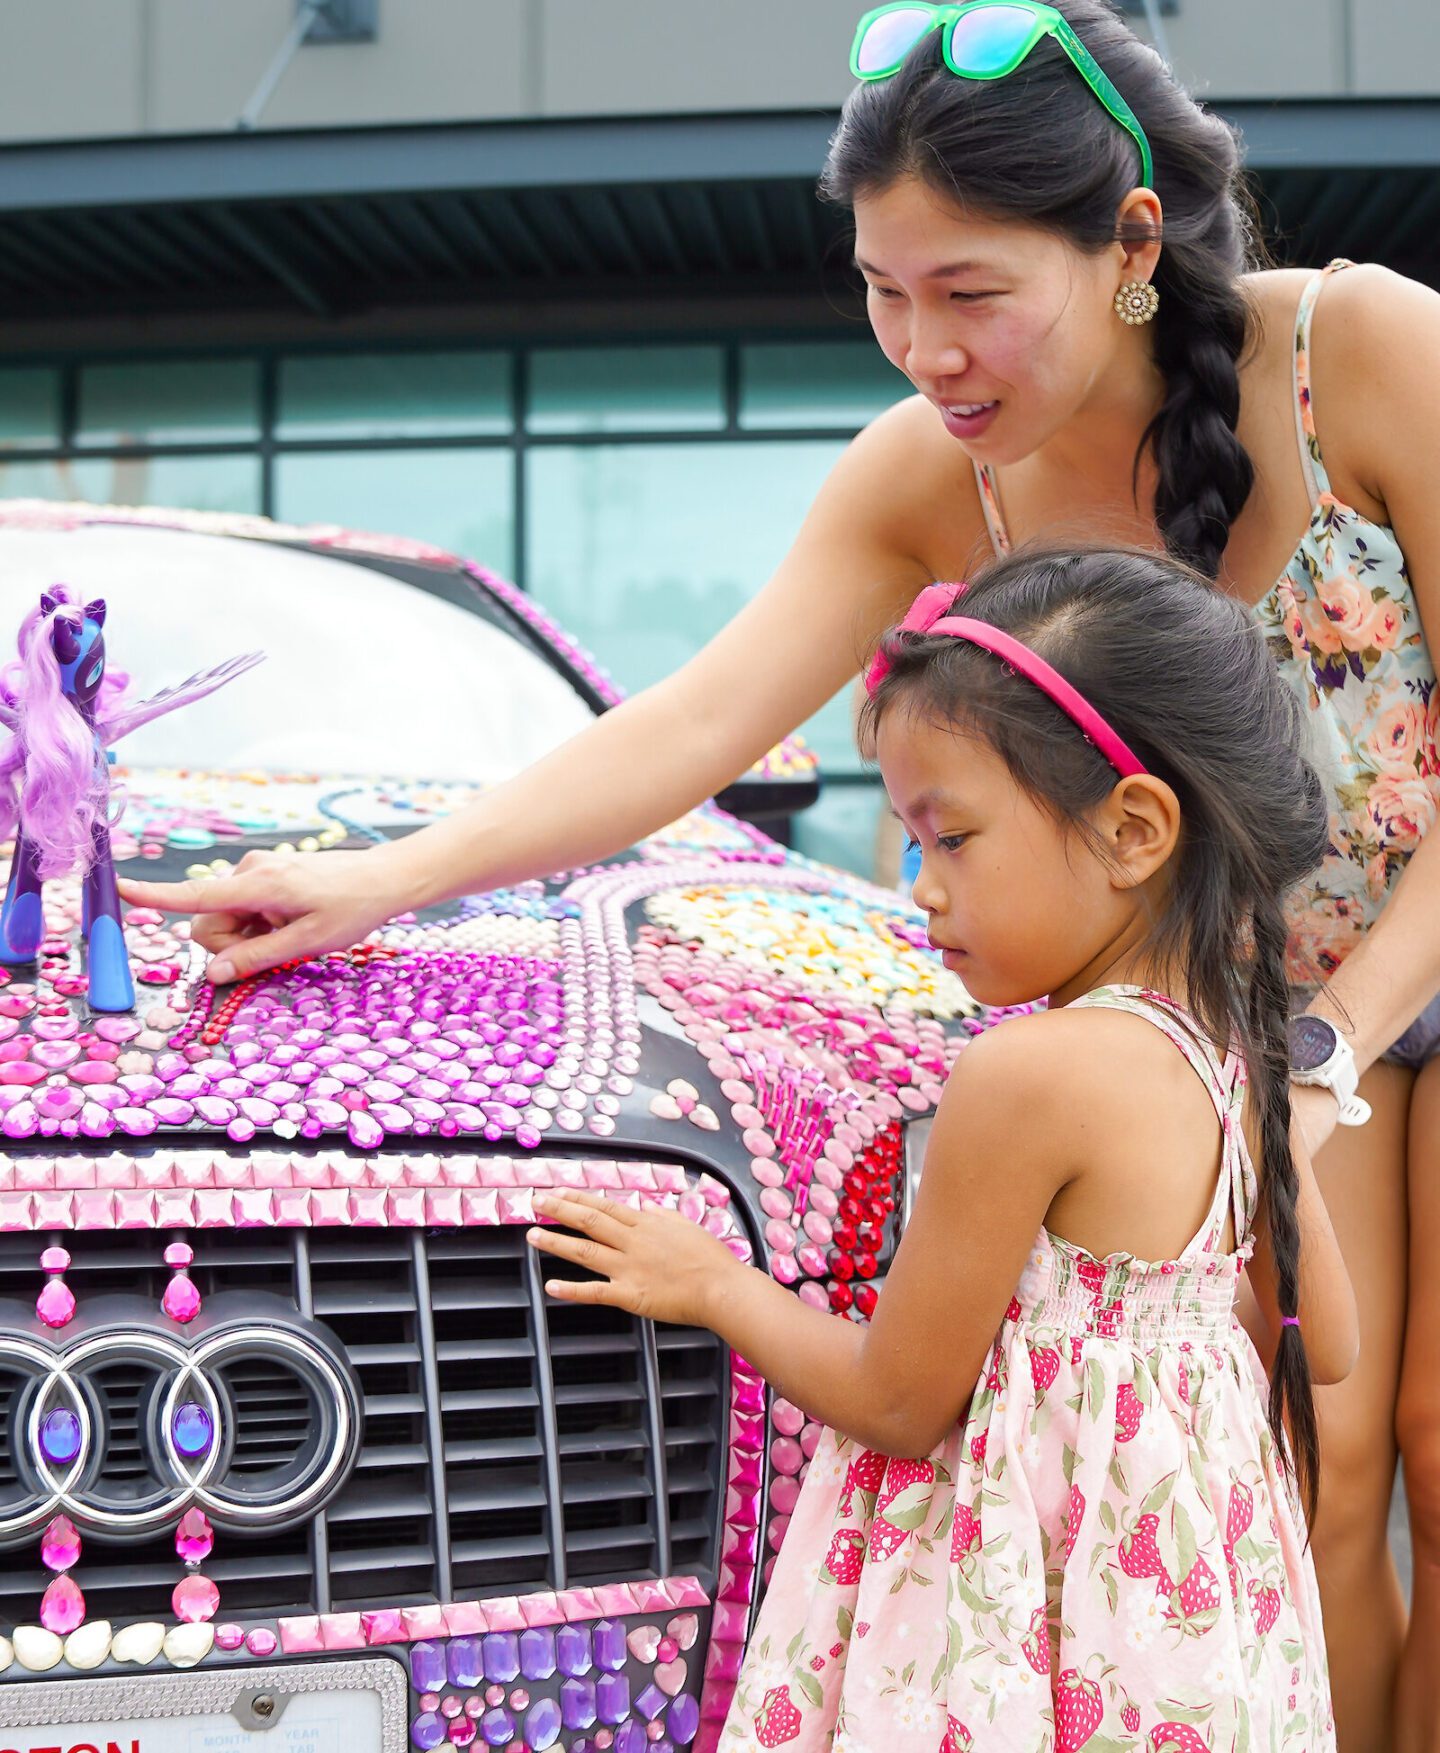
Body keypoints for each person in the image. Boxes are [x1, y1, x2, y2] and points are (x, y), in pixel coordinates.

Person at [117, 4, 1440, 1741]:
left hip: (1387, 970)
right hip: (1215, 1021)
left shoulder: (1366, 350)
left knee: (1429, 1443)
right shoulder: (931, 473)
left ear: (1130, 245)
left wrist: (1338, 1038)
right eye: (884, 291)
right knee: (1321, 1464)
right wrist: (385, 878)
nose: (926, 350)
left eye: (969, 291)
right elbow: (693, 721)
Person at [523, 548, 1359, 1749]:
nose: (919, 889)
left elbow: (898, 1400)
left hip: (1024, 1633)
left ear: (1133, 830)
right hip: (1186, 1632)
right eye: (912, 844)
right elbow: (1327, 1340)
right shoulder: (1239, 1051)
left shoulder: (1031, 1074)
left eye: (953, 837)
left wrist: (711, 1283)